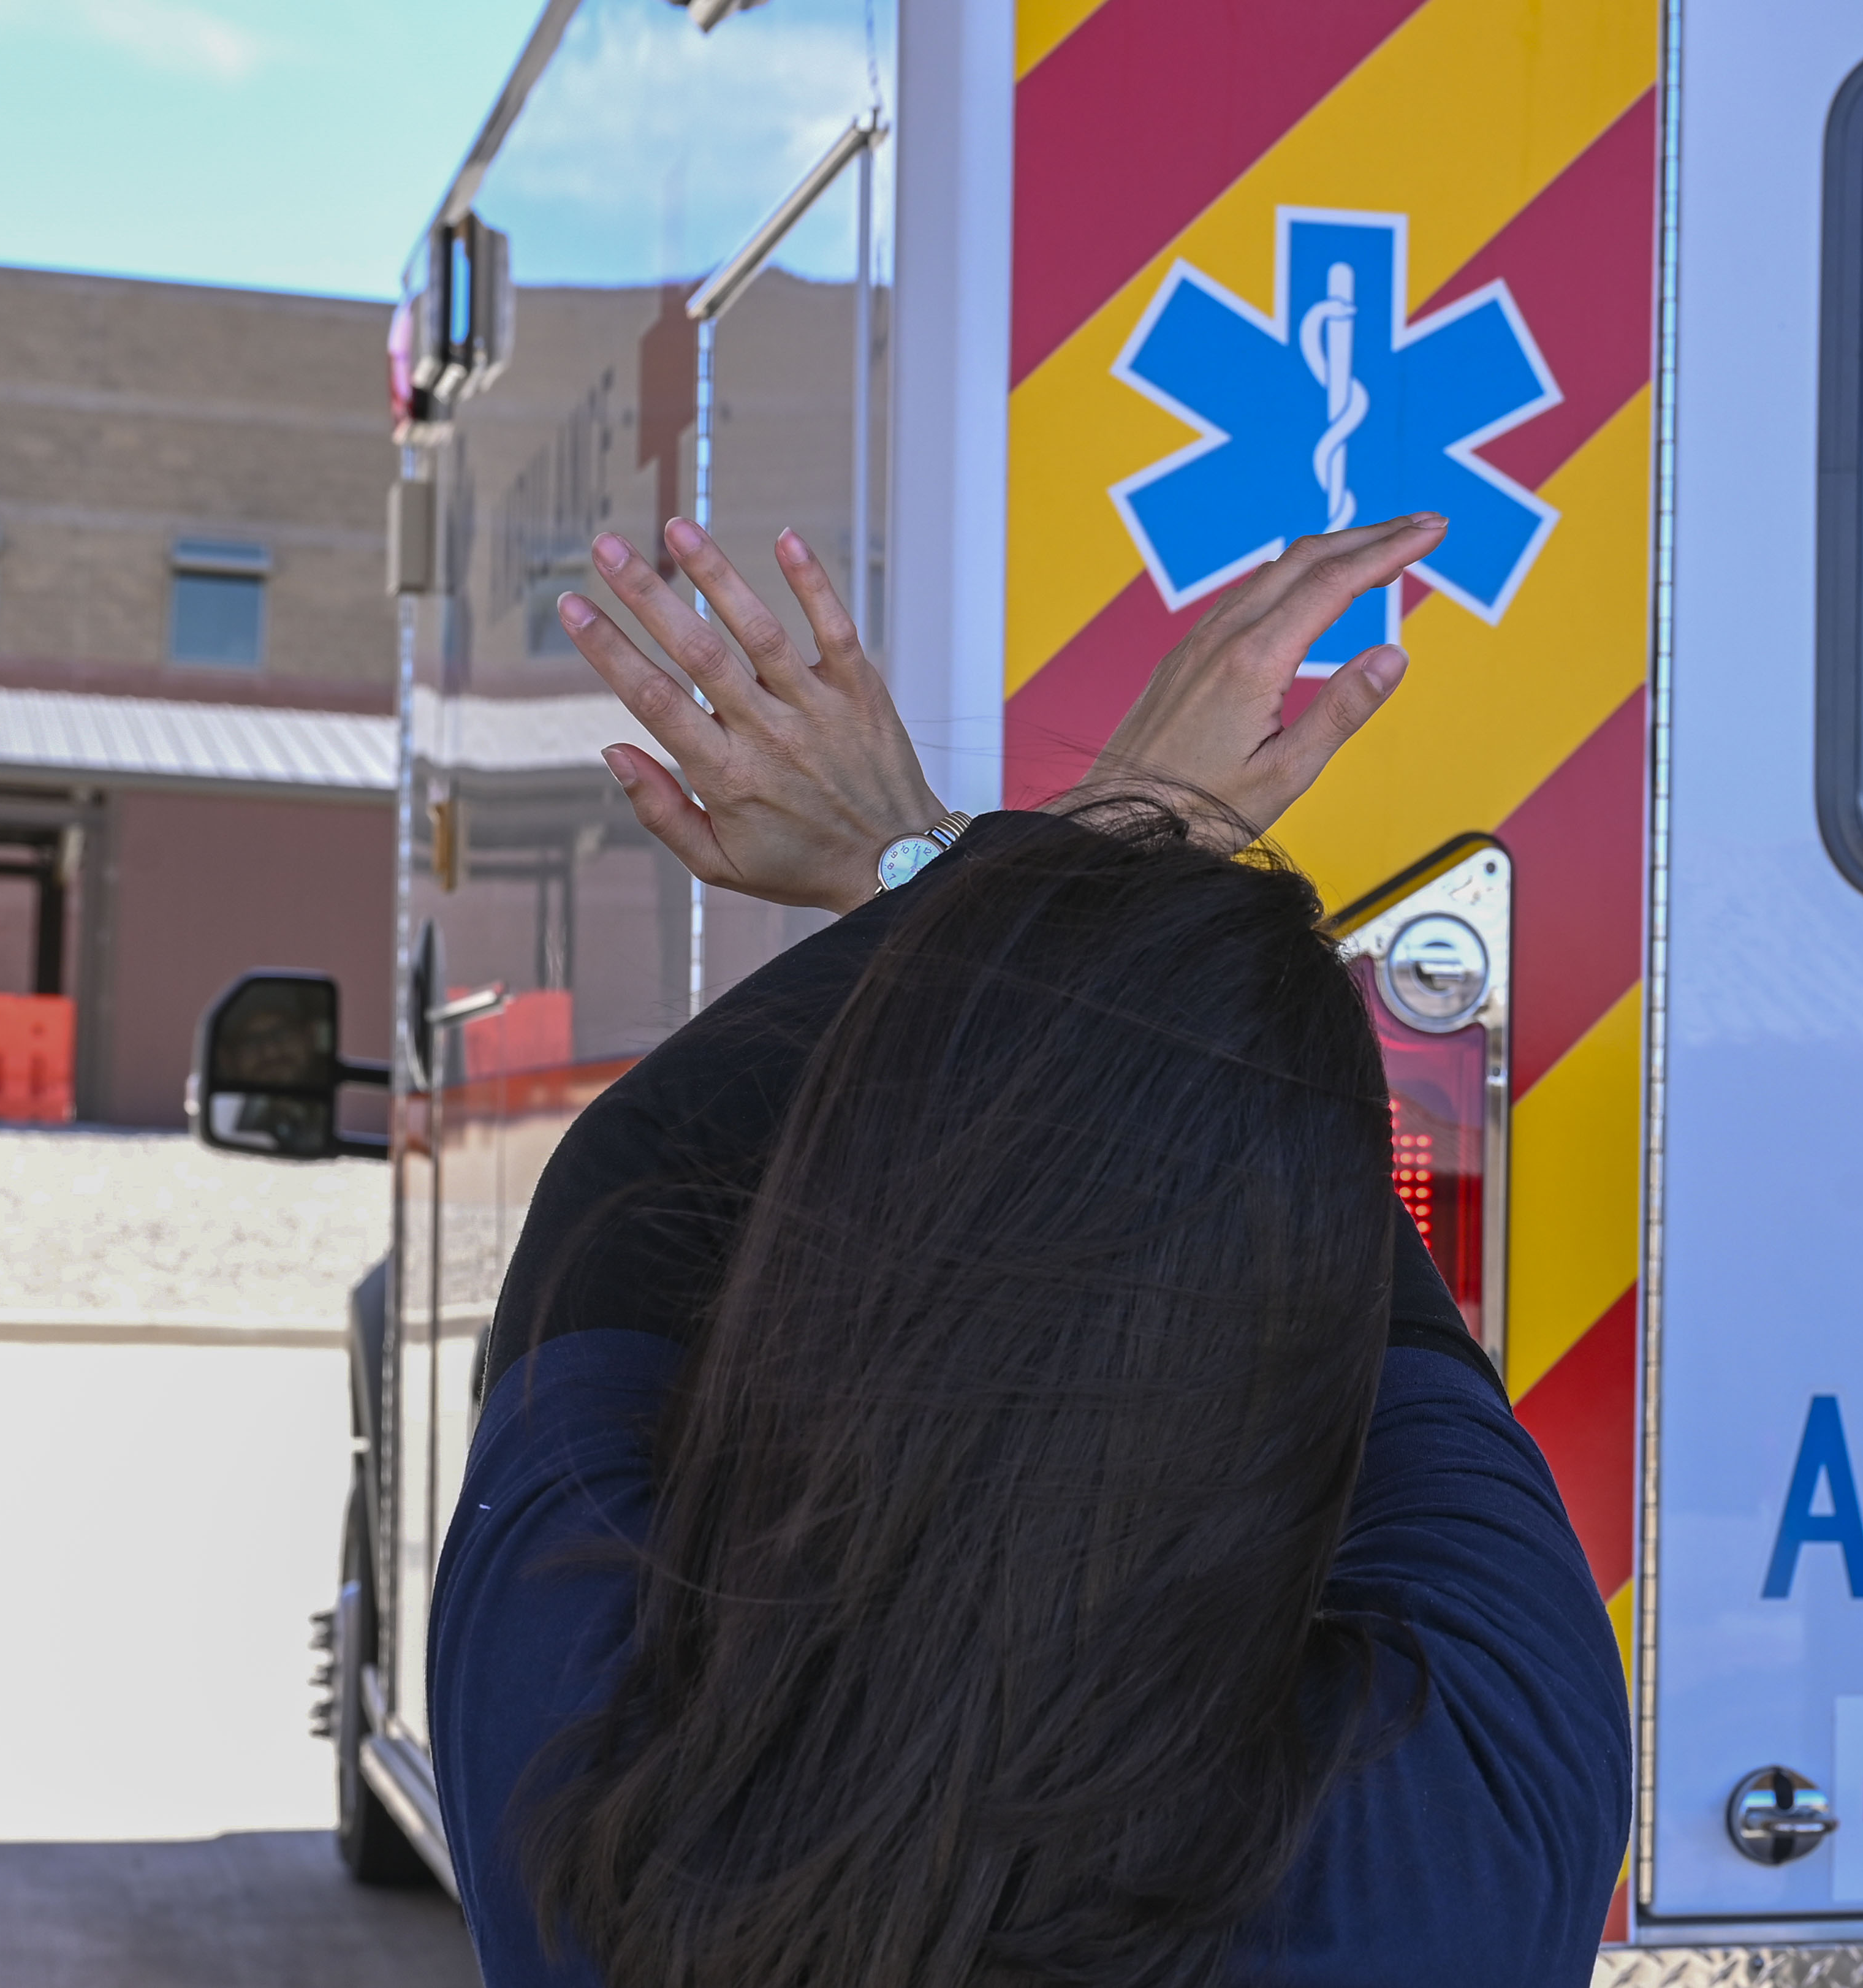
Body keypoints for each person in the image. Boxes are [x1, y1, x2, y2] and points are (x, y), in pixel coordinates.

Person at [427, 514, 1631, 1988]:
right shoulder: (1474, 1806)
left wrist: (1085, 839)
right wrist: (967, 869)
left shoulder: (603, 1796)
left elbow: (627, 1182)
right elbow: (1362, 1311)